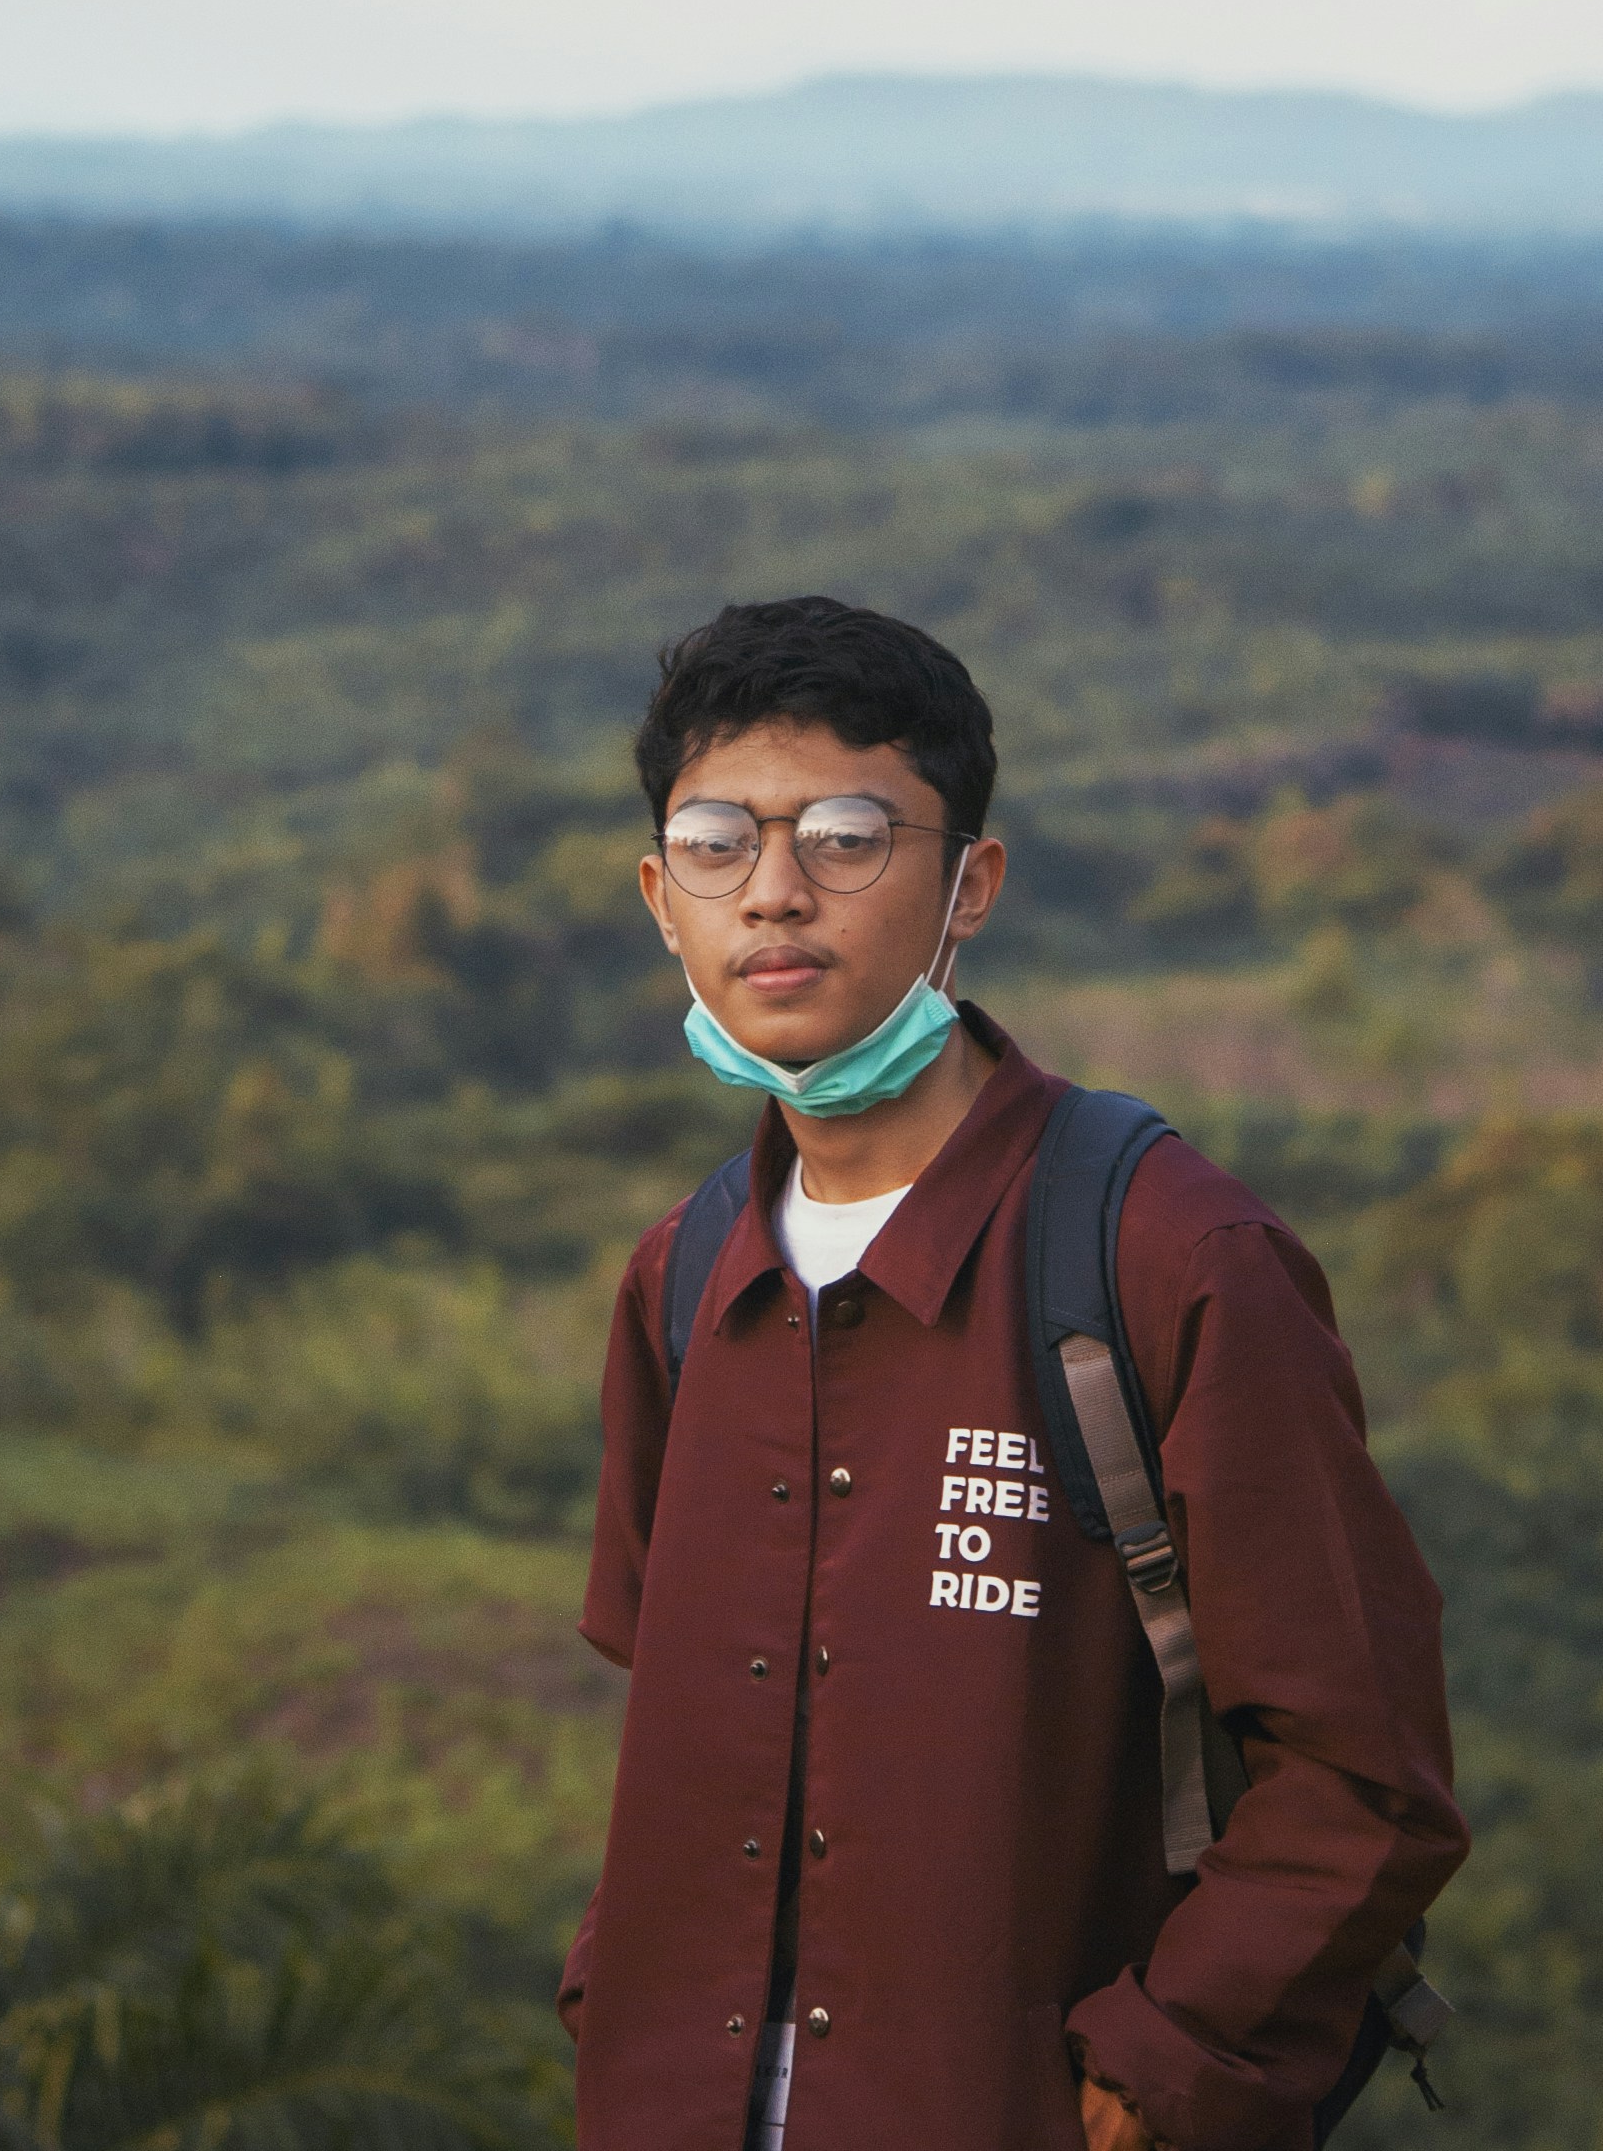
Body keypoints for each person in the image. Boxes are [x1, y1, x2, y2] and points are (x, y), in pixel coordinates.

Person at [559, 595, 1466, 2151]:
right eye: (718, 843)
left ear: (969, 882)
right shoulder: (687, 1279)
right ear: (660, 895)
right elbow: (688, 1713)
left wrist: (1160, 2065)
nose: (774, 895)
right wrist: (612, 2003)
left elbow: (1363, 1773)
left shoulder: (1168, 1259)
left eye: (849, 836)